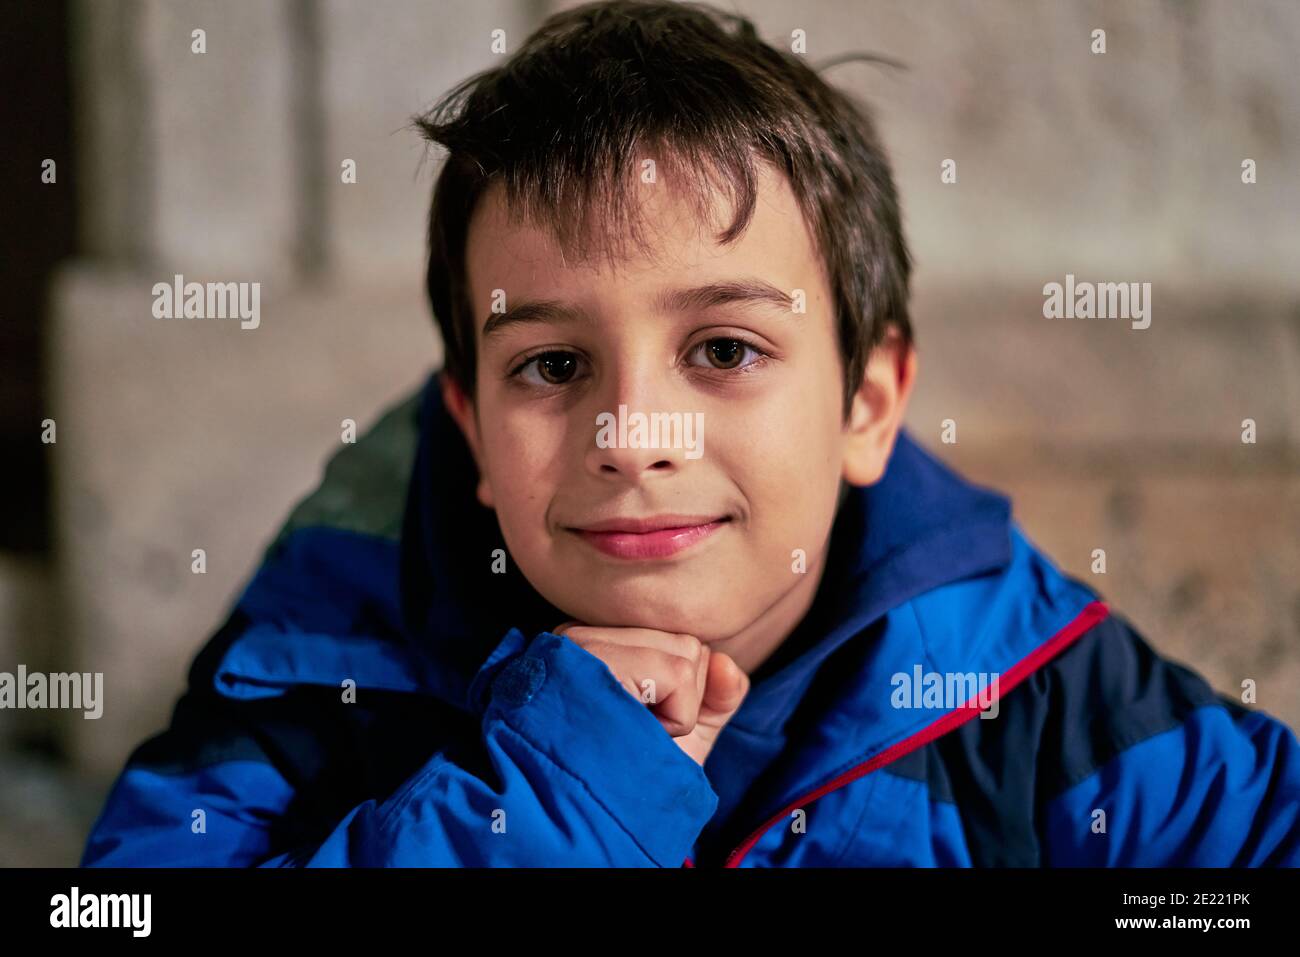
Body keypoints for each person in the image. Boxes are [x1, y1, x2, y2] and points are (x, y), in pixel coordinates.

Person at [82, 0, 1299, 867]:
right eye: (552, 366)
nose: (632, 435)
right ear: (467, 427)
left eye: (724, 350)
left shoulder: (1025, 686)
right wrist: (562, 790)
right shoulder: (325, 660)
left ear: (867, 404)